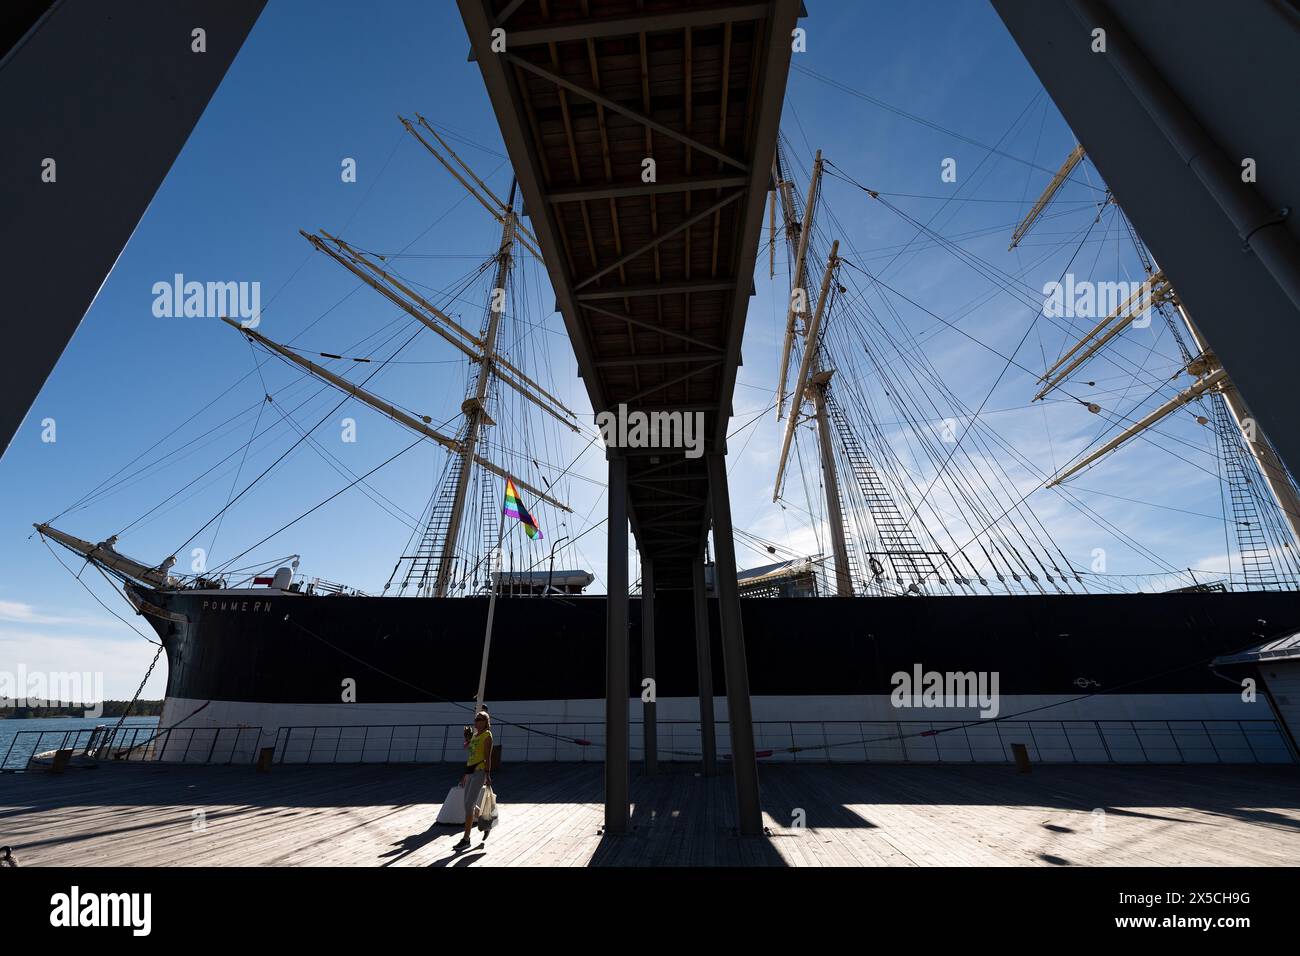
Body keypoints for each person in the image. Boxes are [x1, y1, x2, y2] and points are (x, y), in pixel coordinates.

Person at [453, 711, 492, 851]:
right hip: (470, 772)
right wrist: (467, 739)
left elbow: (488, 756)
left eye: (479, 719)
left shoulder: (487, 736)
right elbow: (470, 752)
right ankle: (486, 822)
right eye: (475, 719)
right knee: (467, 804)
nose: (476, 721)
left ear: (486, 721)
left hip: (480, 772)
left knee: (469, 804)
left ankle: (466, 838)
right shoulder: (475, 735)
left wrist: (487, 775)